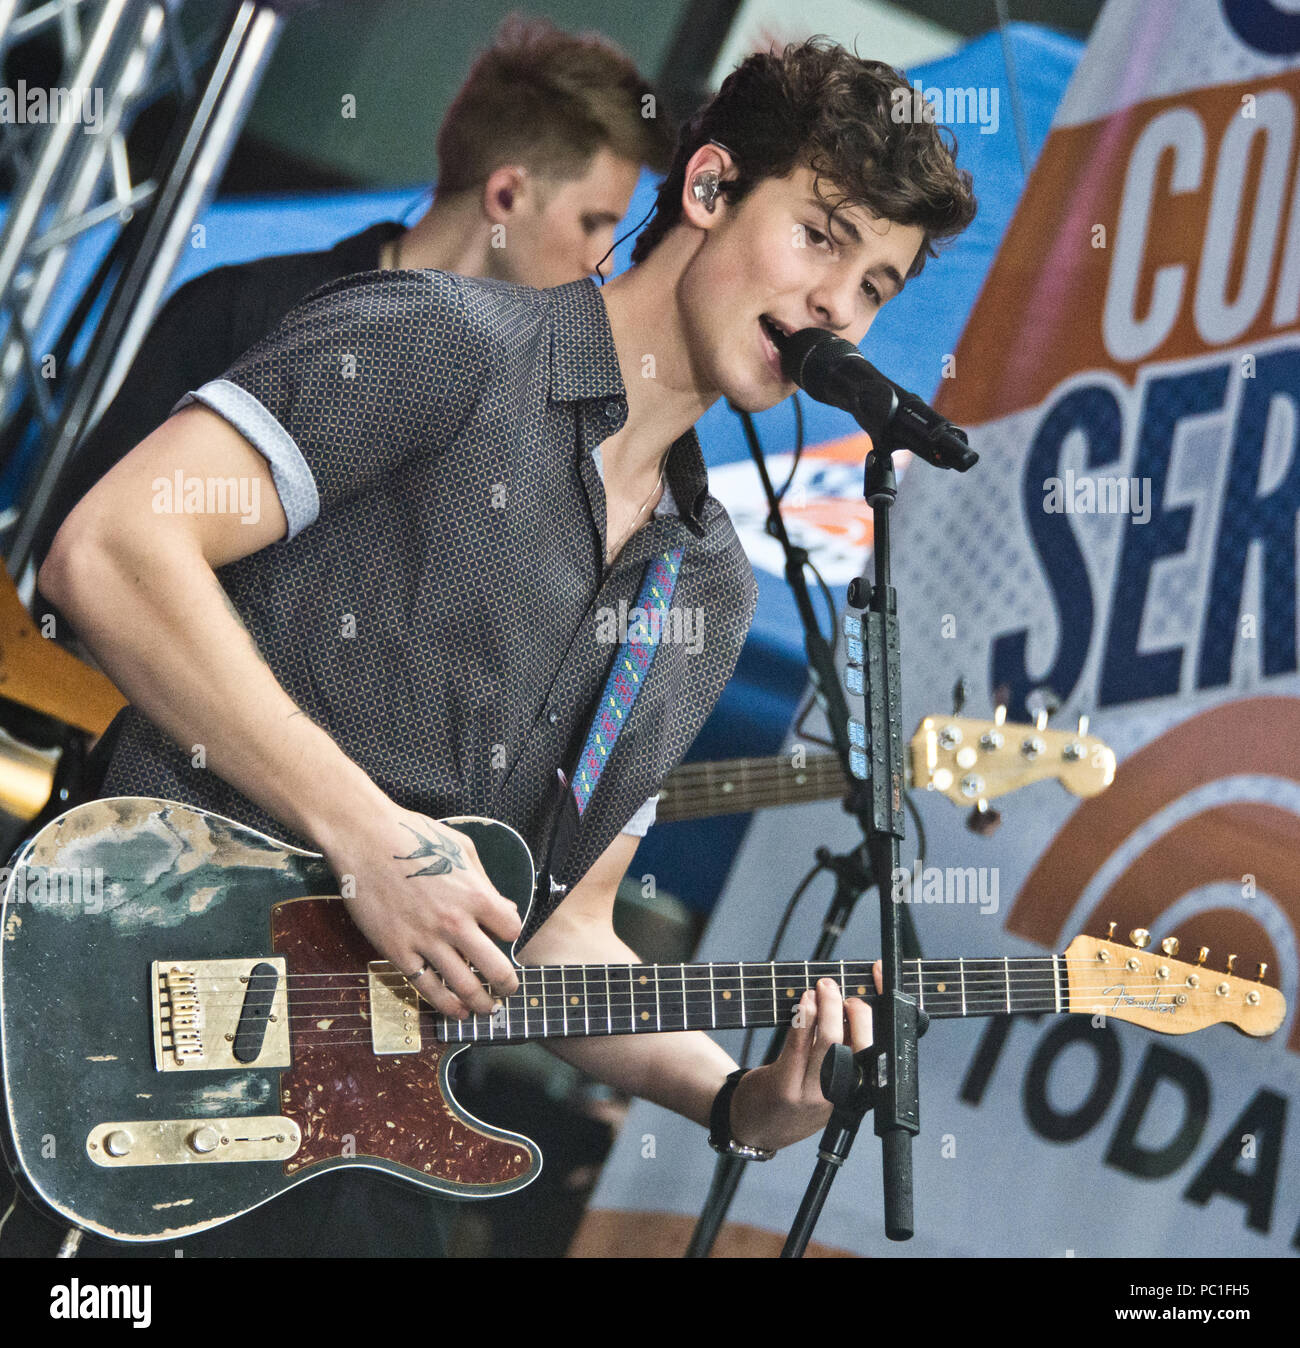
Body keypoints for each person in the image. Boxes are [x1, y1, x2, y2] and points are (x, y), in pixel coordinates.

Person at [34, 36, 976, 1257]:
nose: (833, 308)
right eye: (821, 237)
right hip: (122, 1029)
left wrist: (739, 1098)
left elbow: (560, 932)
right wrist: (368, 837)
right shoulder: (447, 343)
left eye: (875, 287)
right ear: (705, 188)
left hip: (341, 1147)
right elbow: (108, 548)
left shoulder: (706, 586)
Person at [30, 12, 671, 580]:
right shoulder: (242, 311)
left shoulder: (539, 415)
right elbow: (80, 548)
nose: (602, 262)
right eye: (595, 223)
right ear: (506, 195)